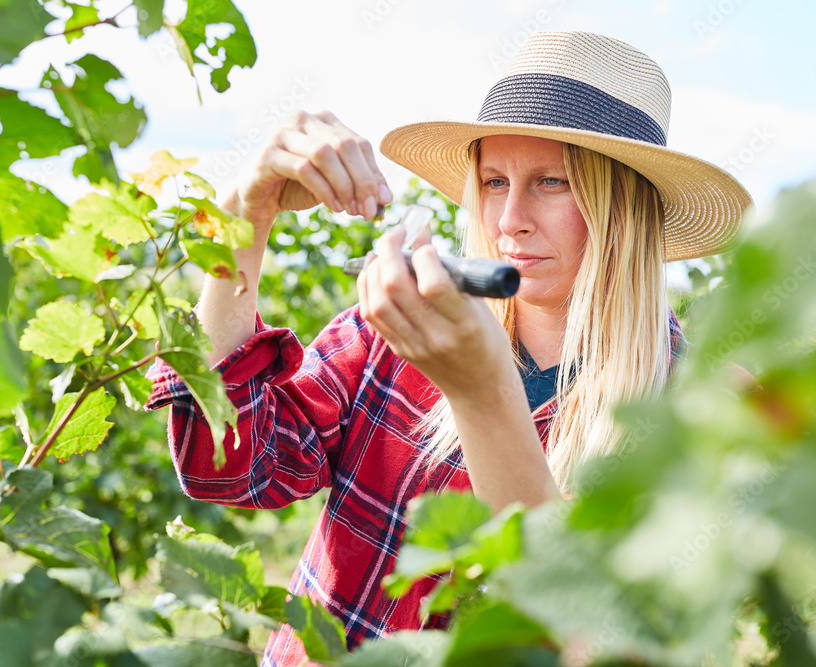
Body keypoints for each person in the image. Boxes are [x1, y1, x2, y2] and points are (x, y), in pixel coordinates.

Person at [145, 30, 753, 665]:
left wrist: (481, 393)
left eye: (550, 181)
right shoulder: (395, 335)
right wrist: (243, 220)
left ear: (624, 207)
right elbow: (227, 468)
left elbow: (589, 643)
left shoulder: (704, 410)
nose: (509, 218)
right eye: (493, 182)